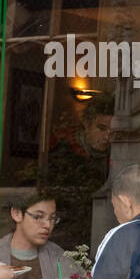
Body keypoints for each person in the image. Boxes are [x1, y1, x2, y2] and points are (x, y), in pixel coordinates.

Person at [44, 95, 114, 248]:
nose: (107, 136)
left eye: (112, 130)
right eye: (101, 128)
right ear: (86, 124)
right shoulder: (62, 156)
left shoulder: (116, 156)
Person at [0, 189, 66, 279]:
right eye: (38, 217)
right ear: (16, 213)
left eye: (52, 218)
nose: (47, 225)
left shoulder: (59, 257)